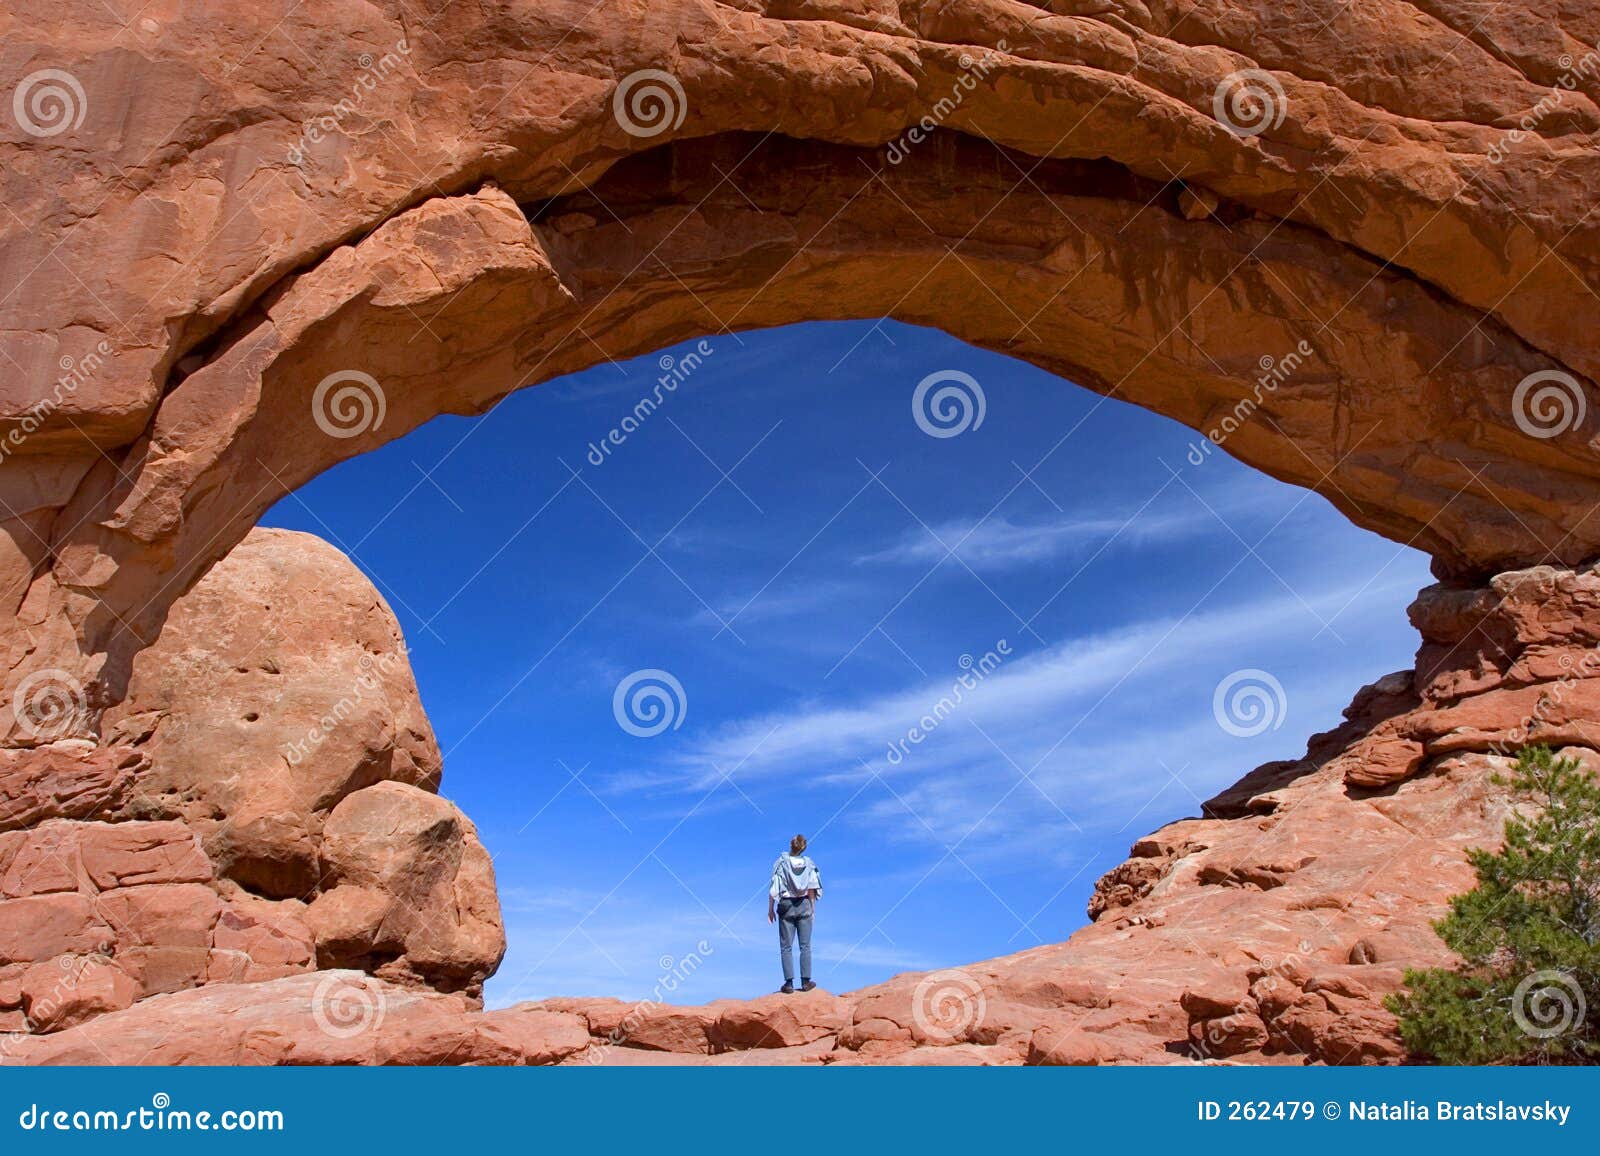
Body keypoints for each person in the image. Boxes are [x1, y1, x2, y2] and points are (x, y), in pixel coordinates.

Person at [767, 834, 822, 994]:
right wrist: (812, 909)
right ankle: (806, 982)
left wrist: (770, 909)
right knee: (805, 945)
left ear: (791, 845)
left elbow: (774, 889)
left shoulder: (781, 862)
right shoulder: (809, 864)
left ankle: (789, 984)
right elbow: (812, 887)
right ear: (803, 847)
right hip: (804, 903)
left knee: (786, 947)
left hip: (786, 905)